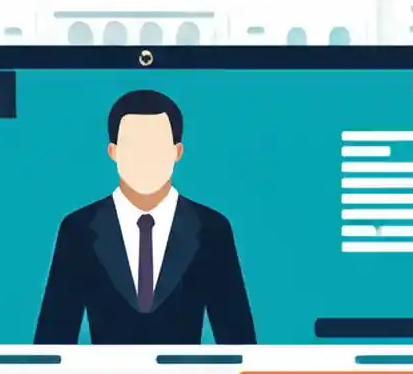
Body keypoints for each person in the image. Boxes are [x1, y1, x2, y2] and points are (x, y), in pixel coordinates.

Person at [34, 89, 256, 345]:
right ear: (113, 151)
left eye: (156, 146)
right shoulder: (79, 228)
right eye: (133, 146)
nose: (145, 158)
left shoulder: (211, 228)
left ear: (177, 151)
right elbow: (52, 342)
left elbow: (239, 342)